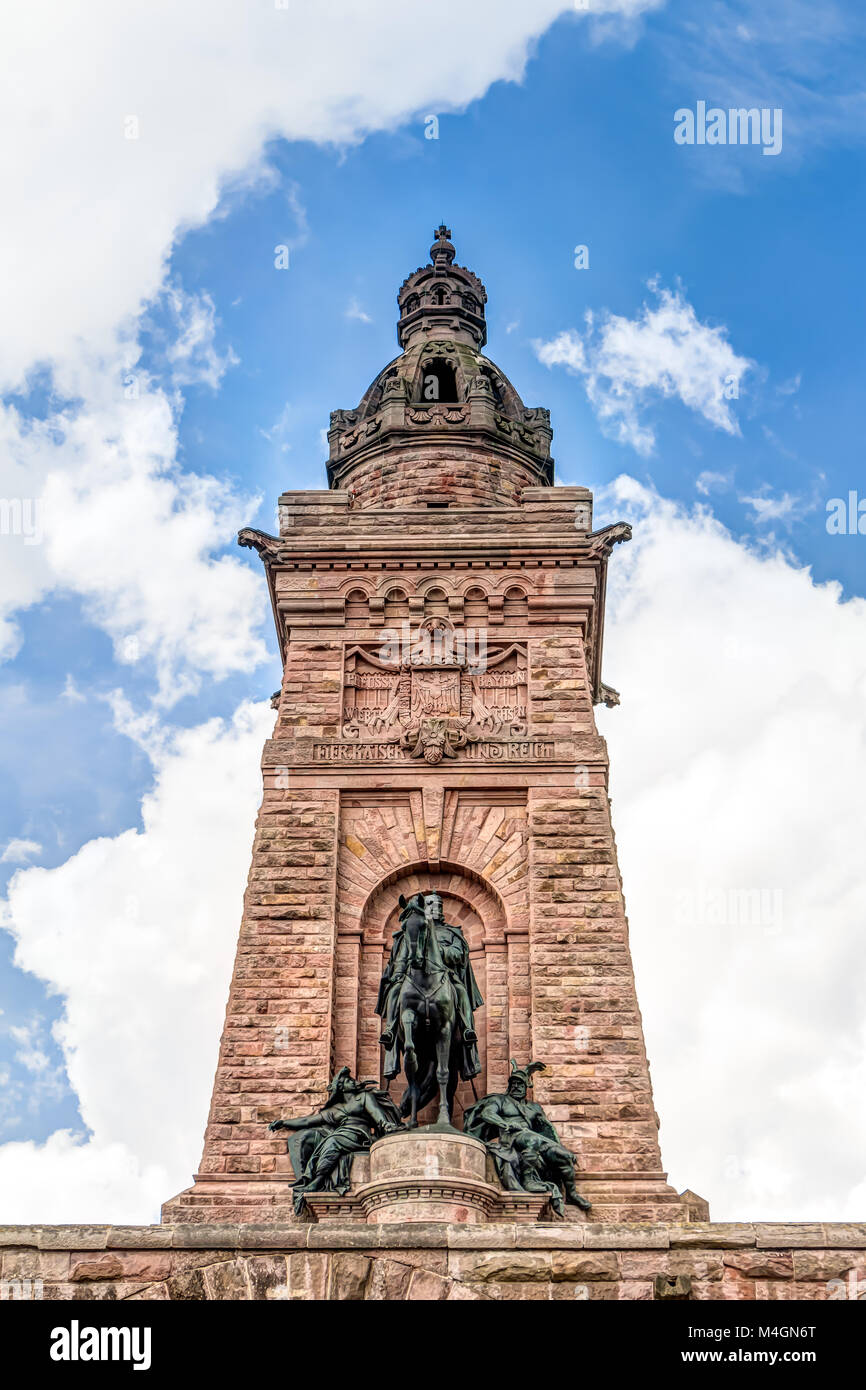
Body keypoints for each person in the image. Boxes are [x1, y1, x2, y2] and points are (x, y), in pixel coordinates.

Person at [463, 1059, 591, 1216]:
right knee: (533, 1140)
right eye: (514, 1084)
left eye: (520, 1084)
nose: (516, 1087)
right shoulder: (500, 1101)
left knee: (565, 1156)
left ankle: (571, 1194)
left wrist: (557, 1146)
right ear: (509, 1086)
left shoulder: (534, 1108)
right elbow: (487, 1113)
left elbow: (546, 1131)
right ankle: (528, 1180)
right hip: (511, 1137)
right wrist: (506, 1124)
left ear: (526, 1087)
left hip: (533, 1139)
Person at [269, 1066, 401, 1213]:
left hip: (359, 1133)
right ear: (341, 1087)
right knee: (306, 1138)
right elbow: (308, 1121)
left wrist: (385, 1125)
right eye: (348, 1080)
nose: (353, 1081)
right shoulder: (336, 1109)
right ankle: (306, 1179)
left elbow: (376, 1113)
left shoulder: (363, 1097)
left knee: (333, 1141)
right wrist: (284, 1123)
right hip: (341, 1133)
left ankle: (318, 1180)